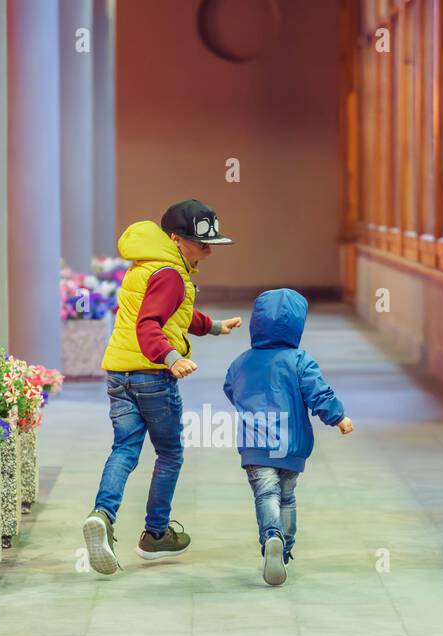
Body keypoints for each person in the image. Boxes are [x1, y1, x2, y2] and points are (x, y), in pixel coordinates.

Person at [82, 199, 242, 575]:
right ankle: (155, 535)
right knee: (170, 453)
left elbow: (177, 312)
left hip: (119, 374)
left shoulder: (148, 267)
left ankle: (102, 515)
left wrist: (215, 327)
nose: (208, 250)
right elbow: (149, 324)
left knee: (124, 449)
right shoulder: (170, 274)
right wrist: (172, 359)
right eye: (201, 243)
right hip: (152, 376)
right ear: (175, 239)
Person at [223, 288, 353, 586]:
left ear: (256, 323)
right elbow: (319, 393)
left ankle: (271, 536)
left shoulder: (242, 361)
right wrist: (339, 418)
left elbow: (231, 389)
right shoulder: (300, 360)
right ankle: (285, 550)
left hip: (255, 444)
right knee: (287, 495)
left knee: (265, 493)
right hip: (292, 446)